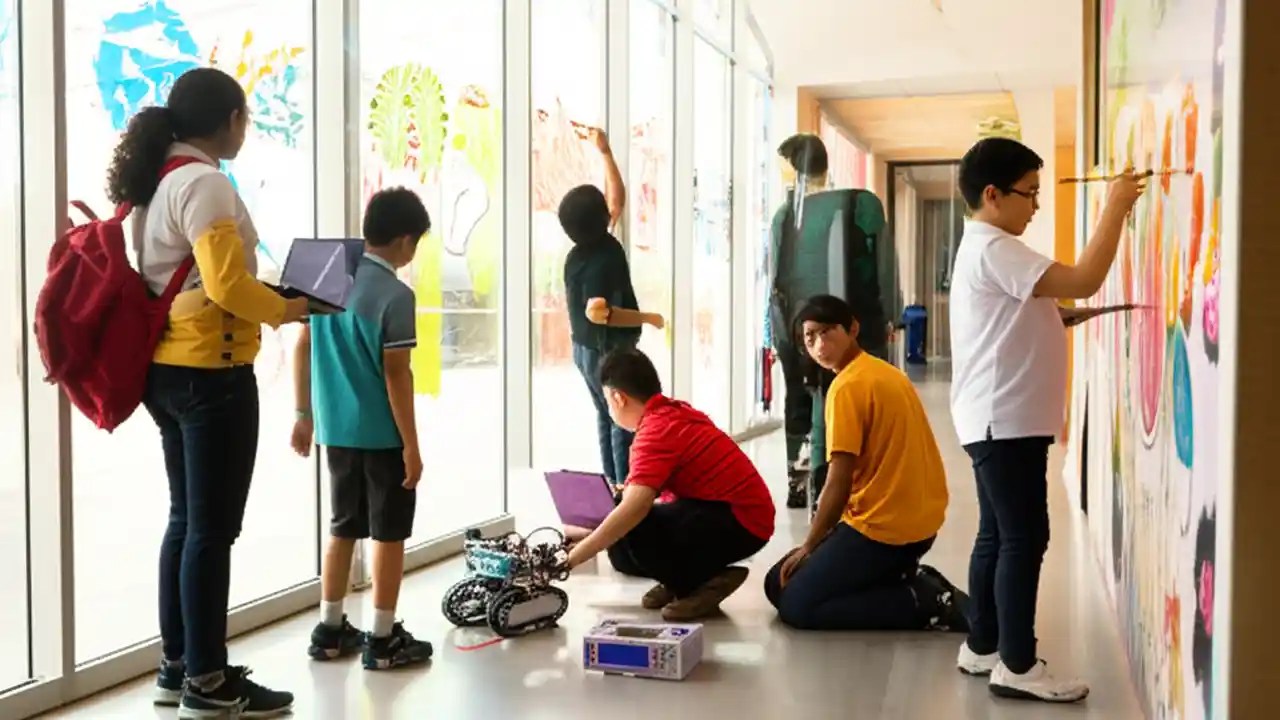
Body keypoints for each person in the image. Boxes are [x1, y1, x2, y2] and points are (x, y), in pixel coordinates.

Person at [116, 68, 304, 717]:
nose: (245, 129)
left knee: (185, 522)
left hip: (165, 374)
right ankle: (209, 680)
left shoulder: (155, 182)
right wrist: (292, 308)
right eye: (244, 118)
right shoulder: (205, 184)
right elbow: (226, 286)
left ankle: (178, 666)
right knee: (212, 532)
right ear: (229, 120)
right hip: (212, 376)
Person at [950, 137, 1144, 703]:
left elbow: (1017, 316)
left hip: (993, 416)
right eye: (1029, 193)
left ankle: (982, 647)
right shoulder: (996, 247)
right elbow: (1084, 277)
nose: (1035, 205)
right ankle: (1016, 664)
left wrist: (1053, 318)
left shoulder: (983, 247)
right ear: (993, 194)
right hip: (1004, 420)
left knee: (996, 536)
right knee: (1023, 539)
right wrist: (1115, 205)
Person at [290, 188, 435, 671]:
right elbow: (397, 375)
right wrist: (412, 447)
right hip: (382, 436)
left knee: (342, 528)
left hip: (336, 431)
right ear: (405, 240)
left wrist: (303, 415)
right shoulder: (396, 295)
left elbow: (303, 345)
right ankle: (382, 637)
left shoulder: (327, 278)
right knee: (388, 535)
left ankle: (330, 629)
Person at [763, 295, 966, 633]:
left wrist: (811, 545)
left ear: (852, 328)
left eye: (826, 332)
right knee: (776, 582)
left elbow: (838, 481)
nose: (818, 345)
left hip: (884, 532)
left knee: (797, 605)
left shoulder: (847, 387)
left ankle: (925, 600)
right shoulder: (883, 371)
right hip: (914, 524)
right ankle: (898, 578)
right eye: (809, 338)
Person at [565, 348, 774, 621]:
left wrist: (573, 559)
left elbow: (635, 508)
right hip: (735, 514)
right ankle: (690, 577)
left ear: (618, 398)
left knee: (634, 526)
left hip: (742, 521)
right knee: (622, 546)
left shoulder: (655, 431)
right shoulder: (671, 412)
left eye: (607, 401)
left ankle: (697, 585)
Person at [560, 126, 664, 487]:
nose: (611, 206)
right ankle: (624, 494)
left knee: (606, 418)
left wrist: (605, 152)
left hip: (584, 349)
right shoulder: (605, 257)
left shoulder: (581, 253)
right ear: (601, 218)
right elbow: (603, 313)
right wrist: (649, 318)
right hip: (605, 350)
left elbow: (616, 198)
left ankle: (612, 492)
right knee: (623, 422)